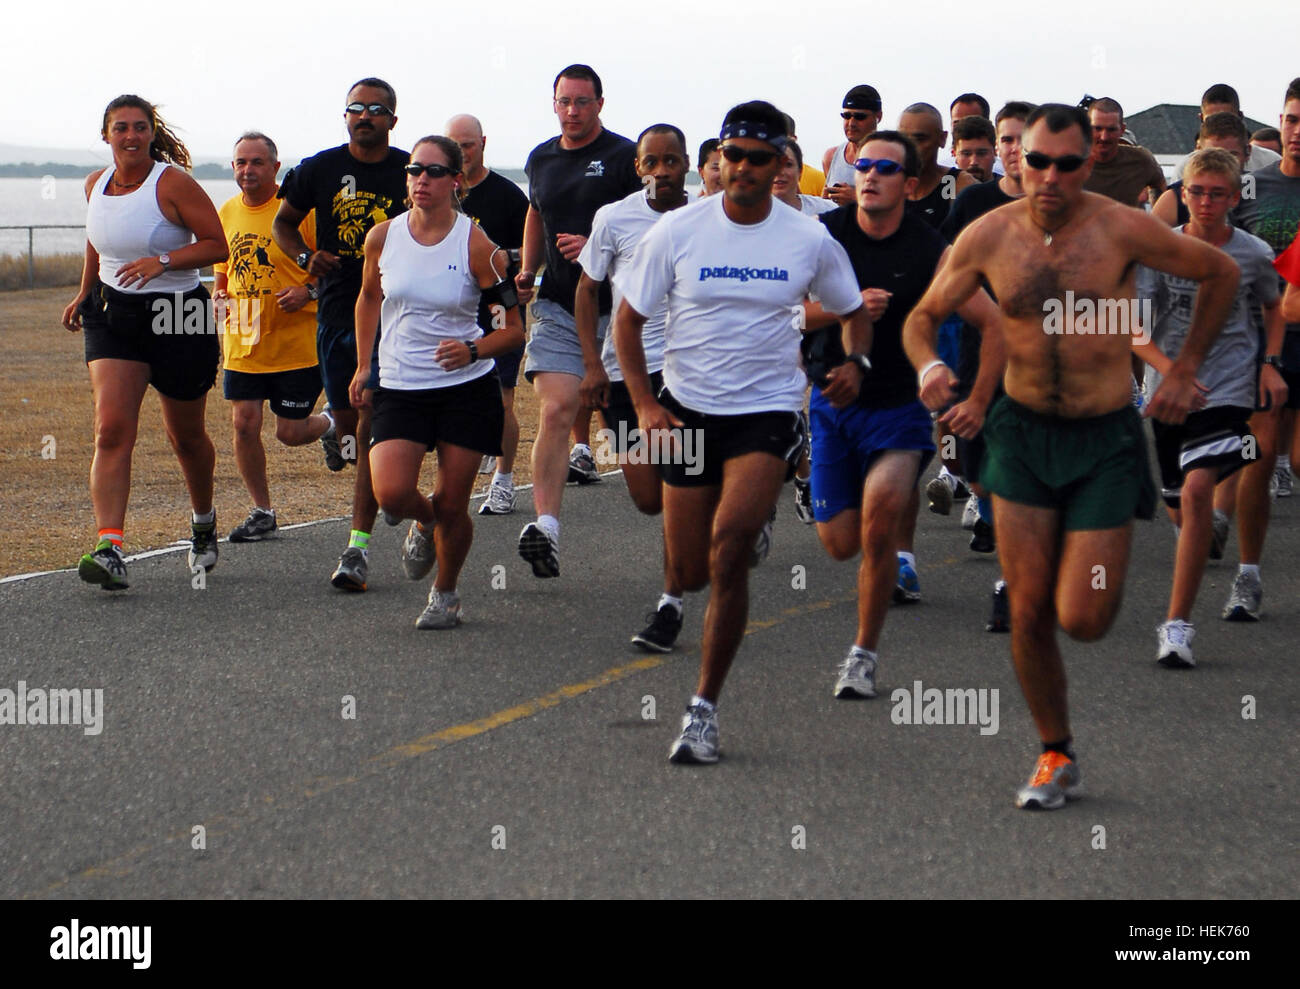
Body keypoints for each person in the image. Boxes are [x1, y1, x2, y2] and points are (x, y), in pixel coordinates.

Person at [901, 103, 1239, 809]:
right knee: (1026, 609)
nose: (1048, 176)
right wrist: (930, 364)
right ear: (1015, 159)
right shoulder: (987, 233)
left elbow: (1219, 273)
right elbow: (922, 315)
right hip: (1021, 436)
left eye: (1065, 163)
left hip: (1103, 439)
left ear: (1088, 164)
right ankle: (1055, 750)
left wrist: (1182, 369)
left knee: (1083, 618)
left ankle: (1071, 575)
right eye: (1034, 160)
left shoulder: (1120, 227)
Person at [613, 101, 868, 763]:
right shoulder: (677, 232)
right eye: (736, 156)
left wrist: (855, 362)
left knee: (727, 552)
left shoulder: (808, 238)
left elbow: (851, 310)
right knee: (688, 569)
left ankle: (703, 711)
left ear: (783, 162)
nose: (747, 169)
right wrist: (644, 404)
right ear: (719, 159)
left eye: (763, 158)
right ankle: (723, 542)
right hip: (685, 406)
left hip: (765, 410)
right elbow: (628, 320)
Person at [800, 130, 1001, 700]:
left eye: (885, 168)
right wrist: (845, 308)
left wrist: (978, 398)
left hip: (899, 407)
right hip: (833, 402)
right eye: (863, 165)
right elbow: (789, 313)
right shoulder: (824, 236)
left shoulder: (931, 249)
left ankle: (862, 654)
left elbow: (993, 323)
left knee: (882, 514)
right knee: (839, 543)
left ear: (910, 186)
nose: (869, 175)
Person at [352, 136, 525, 629]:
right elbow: (368, 298)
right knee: (390, 495)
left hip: (464, 389)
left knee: (454, 501)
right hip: (400, 384)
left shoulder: (478, 247)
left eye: (432, 171)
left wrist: (472, 349)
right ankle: (423, 522)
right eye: (413, 170)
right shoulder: (382, 236)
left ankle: (445, 594)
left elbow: (513, 332)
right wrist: (365, 365)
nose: (421, 179)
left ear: (456, 180)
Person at [62, 94, 229, 590]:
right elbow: (97, 239)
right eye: (121, 127)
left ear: (151, 132)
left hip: (178, 314)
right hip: (115, 316)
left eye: (140, 127)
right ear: (106, 134)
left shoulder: (172, 183)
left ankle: (203, 523)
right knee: (111, 431)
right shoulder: (95, 185)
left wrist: (163, 261)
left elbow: (216, 244)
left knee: (186, 438)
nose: (131, 136)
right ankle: (110, 546)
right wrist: (85, 292)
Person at [1133, 148, 1283, 666]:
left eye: (1218, 193)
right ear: (1181, 195)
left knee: (1199, 491)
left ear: (1235, 197)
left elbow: (1274, 304)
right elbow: (1134, 331)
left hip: (1227, 384)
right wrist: (1171, 372)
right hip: (1169, 388)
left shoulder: (1254, 253)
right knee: (1179, 503)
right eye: (1197, 192)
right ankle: (1196, 540)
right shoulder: (1160, 250)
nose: (1206, 202)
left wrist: (1270, 362)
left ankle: (1177, 626)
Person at [273, 77, 409, 592]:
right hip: (335, 314)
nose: (365, 115)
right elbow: (282, 227)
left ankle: (357, 549)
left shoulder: (409, 171)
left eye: (377, 109)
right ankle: (383, 483)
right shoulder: (320, 168)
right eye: (356, 108)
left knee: (373, 425)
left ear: (392, 120)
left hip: (395, 317)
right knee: (354, 429)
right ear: (345, 115)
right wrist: (307, 259)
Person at [513, 64, 640, 578]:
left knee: (637, 451)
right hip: (559, 304)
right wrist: (528, 267)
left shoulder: (624, 158)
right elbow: (535, 213)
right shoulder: (541, 157)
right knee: (558, 407)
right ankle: (546, 527)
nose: (572, 111)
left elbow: (646, 227)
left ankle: (710, 505)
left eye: (582, 102)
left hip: (623, 313)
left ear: (600, 104)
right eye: (564, 101)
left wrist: (597, 250)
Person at [574, 124, 692, 652]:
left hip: (684, 375)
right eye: (653, 162)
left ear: (687, 162)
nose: (663, 171)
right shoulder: (614, 218)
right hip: (622, 372)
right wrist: (590, 367)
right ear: (639, 167)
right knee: (647, 498)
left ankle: (671, 602)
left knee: (677, 482)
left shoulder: (707, 217)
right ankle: (701, 527)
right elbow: (587, 288)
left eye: (672, 160)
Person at [939, 101, 1037, 619]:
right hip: (981, 353)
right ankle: (991, 510)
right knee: (978, 470)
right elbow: (947, 270)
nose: (1014, 149)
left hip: (1042, 359)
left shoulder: (1060, 204)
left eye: (1024, 140)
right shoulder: (974, 200)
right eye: (1007, 141)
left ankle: (1011, 586)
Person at [214, 132, 333, 542]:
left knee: (290, 432)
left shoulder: (301, 212)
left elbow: (333, 269)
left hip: (296, 342)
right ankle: (262, 511)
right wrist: (219, 292)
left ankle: (330, 423)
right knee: (244, 425)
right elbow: (223, 265)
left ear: (275, 167)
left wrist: (307, 291)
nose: (248, 170)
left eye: (257, 162)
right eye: (240, 163)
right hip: (244, 340)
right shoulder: (227, 211)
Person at [1223, 77, 1300, 616]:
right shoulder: (1252, 187)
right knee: (1260, 452)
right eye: (1292, 120)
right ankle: (1248, 576)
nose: (1298, 132)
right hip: (1263, 338)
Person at [446, 113, 529, 517]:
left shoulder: (509, 196)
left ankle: (504, 480)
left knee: (501, 398)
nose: (462, 153)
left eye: (468, 145)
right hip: (451, 311)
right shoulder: (438, 192)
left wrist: (504, 259)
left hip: (498, 307)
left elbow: (531, 250)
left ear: (483, 143)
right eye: (454, 146)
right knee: (456, 400)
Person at [1152, 113, 1251, 228]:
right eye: (1213, 156)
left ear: (1248, 152)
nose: (1223, 165)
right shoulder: (1175, 198)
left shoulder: (1262, 190)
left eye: (1232, 156)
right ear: (1198, 152)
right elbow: (1148, 241)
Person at [899, 103, 976, 229]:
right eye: (903, 139)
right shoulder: (887, 183)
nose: (911, 147)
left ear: (942, 138)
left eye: (920, 139)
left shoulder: (954, 184)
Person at [1082, 97, 1166, 208]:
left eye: (1111, 129)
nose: (1104, 137)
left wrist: (1158, 216)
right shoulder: (1070, 161)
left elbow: (1159, 183)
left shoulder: (1140, 159)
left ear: (1122, 129)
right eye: (1097, 129)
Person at [1193, 84, 1281, 173]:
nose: (1219, 123)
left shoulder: (1271, 162)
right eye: (1211, 119)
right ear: (1201, 118)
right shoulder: (1186, 167)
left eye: (1227, 118)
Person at [822, 85, 883, 207]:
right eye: (846, 116)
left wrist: (857, 198)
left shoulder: (889, 158)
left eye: (860, 117)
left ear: (878, 117)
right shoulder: (831, 156)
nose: (851, 123)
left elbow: (901, 205)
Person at [773, 140, 838, 216]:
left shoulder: (827, 210)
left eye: (788, 164)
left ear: (800, 171)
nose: (781, 172)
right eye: (774, 164)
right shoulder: (755, 216)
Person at [951, 116, 998, 183]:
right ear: (954, 154)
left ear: (995, 152)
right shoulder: (944, 191)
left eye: (981, 153)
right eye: (966, 154)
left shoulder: (1011, 191)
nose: (974, 162)